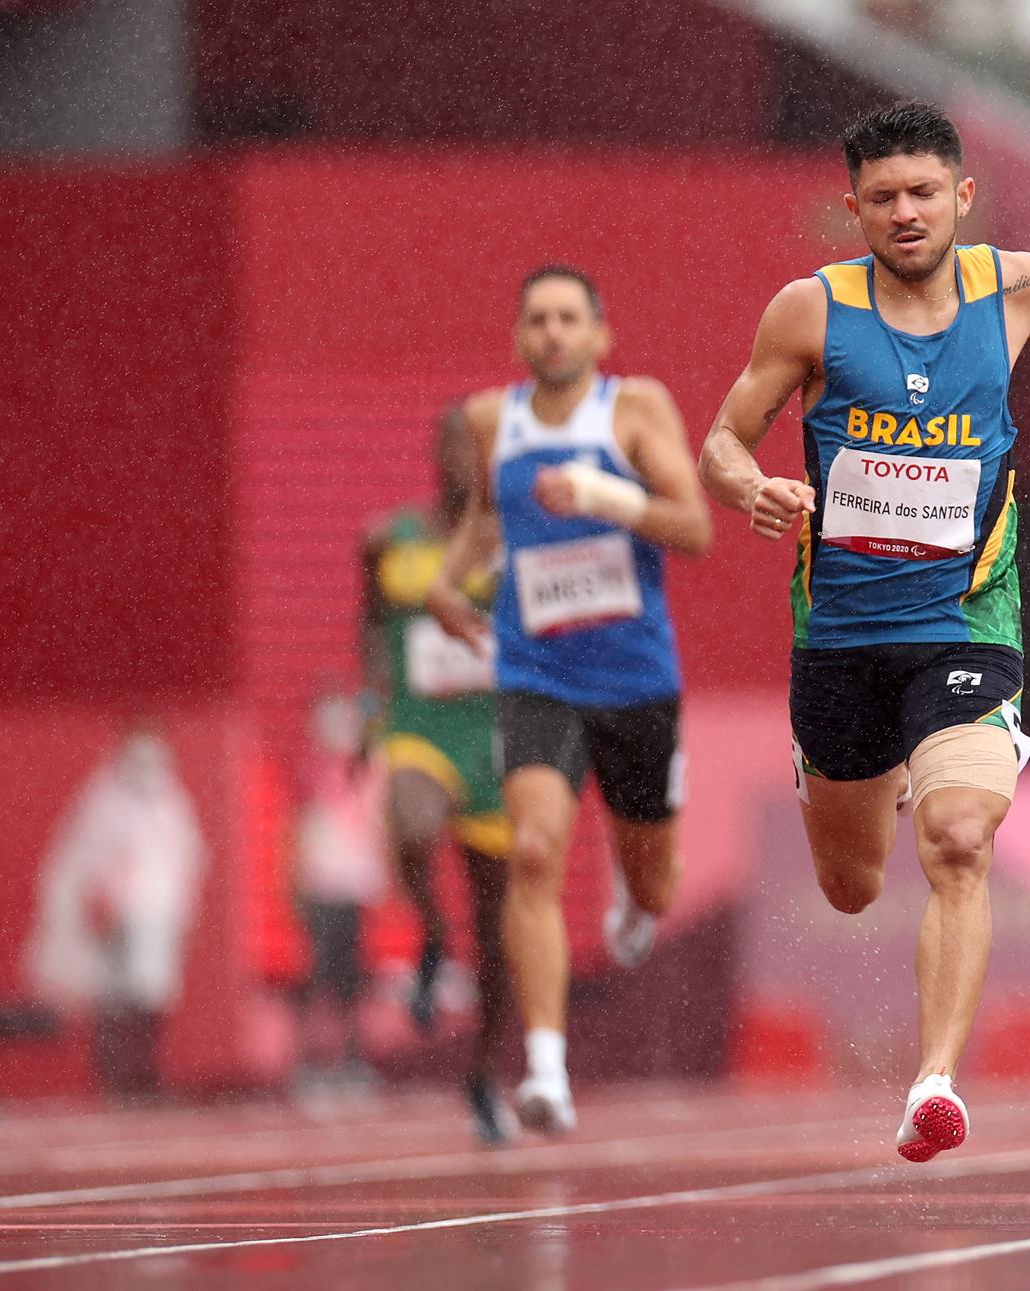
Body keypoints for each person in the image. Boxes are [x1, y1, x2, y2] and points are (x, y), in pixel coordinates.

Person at [697, 101, 1030, 1163]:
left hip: (966, 621)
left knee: (957, 839)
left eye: (922, 192)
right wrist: (748, 484)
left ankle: (932, 1081)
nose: (904, 212)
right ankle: (852, 771)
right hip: (841, 634)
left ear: (960, 198)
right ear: (851, 208)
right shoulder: (808, 312)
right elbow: (720, 436)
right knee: (848, 887)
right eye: (881, 197)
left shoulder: (1015, 284)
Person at [428, 265, 712, 1134]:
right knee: (537, 847)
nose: (553, 334)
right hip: (535, 671)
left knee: (654, 882)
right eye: (537, 320)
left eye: (568, 320)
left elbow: (694, 527)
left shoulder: (635, 409)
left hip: (633, 676)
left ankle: (635, 895)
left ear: (599, 336)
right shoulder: (490, 420)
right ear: (520, 338)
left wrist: (599, 494)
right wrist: (448, 580)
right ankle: (546, 1066)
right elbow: (487, 519)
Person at [362, 407, 516, 1142]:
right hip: (421, 728)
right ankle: (430, 934)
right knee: (412, 821)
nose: (466, 460)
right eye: (455, 445)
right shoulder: (388, 538)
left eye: (479, 449)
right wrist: (373, 707)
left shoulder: (509, 540)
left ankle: (485, 1075)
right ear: (434, 453)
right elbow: (369, 623)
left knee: (501, 931)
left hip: (493, 734)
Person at [23, 718, 206, 1100]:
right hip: (116, 914)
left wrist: (184, 907)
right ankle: (114, 1078)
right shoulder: (103, 797)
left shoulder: (170, 798)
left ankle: (145, 1073)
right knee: (112, 999)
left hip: (156, 914)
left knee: (151, 997)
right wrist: (96, 900)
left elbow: (187, 854)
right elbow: (87, 854)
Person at [290, 684, 388, 1093]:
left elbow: (379, 822)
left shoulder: (368, 767)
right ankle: (313, 1060)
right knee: (319, 973)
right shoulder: (313, 769)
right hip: (320, 884)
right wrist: (294, 878)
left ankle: (351, 1058)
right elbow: (296, 829)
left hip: (353, 885)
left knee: (351, 976)